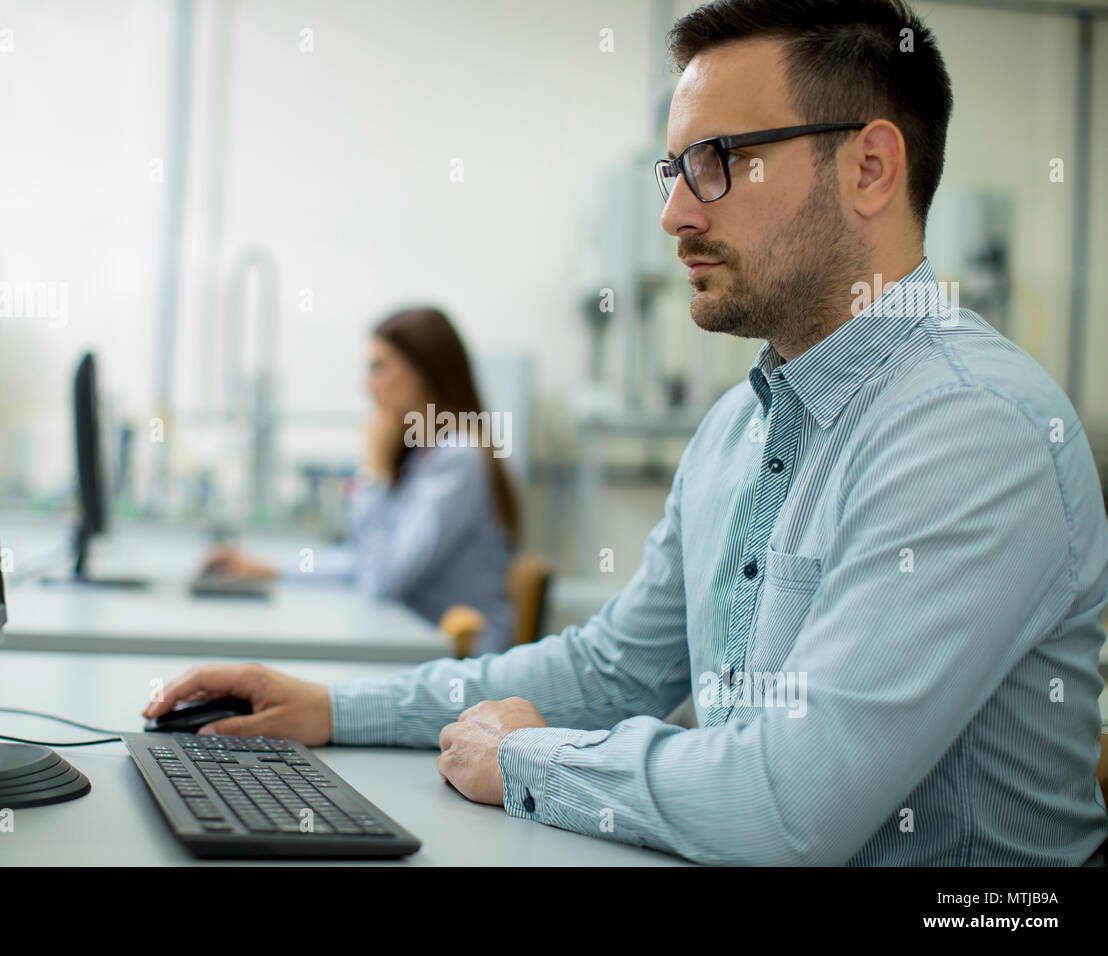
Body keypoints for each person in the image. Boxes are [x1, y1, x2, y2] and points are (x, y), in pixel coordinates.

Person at [147, 0, 1108, 865]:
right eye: (672, 168)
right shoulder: (739, 425)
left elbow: (785, 806)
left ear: (868, 167)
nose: (674, 213)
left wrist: (526, 756)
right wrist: (333, 709)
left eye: (717, 163)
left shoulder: (975, 433)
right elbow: (613, 669)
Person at [203, 306, 519, 655]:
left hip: (461, 672)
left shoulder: (458, 461)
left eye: (379, 367)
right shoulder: (423, 458)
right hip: (418, 650)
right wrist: (271, 569)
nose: (368, 385)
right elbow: (364, 559)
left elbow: (380, 581)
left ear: (425, 372)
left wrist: (374, 471)